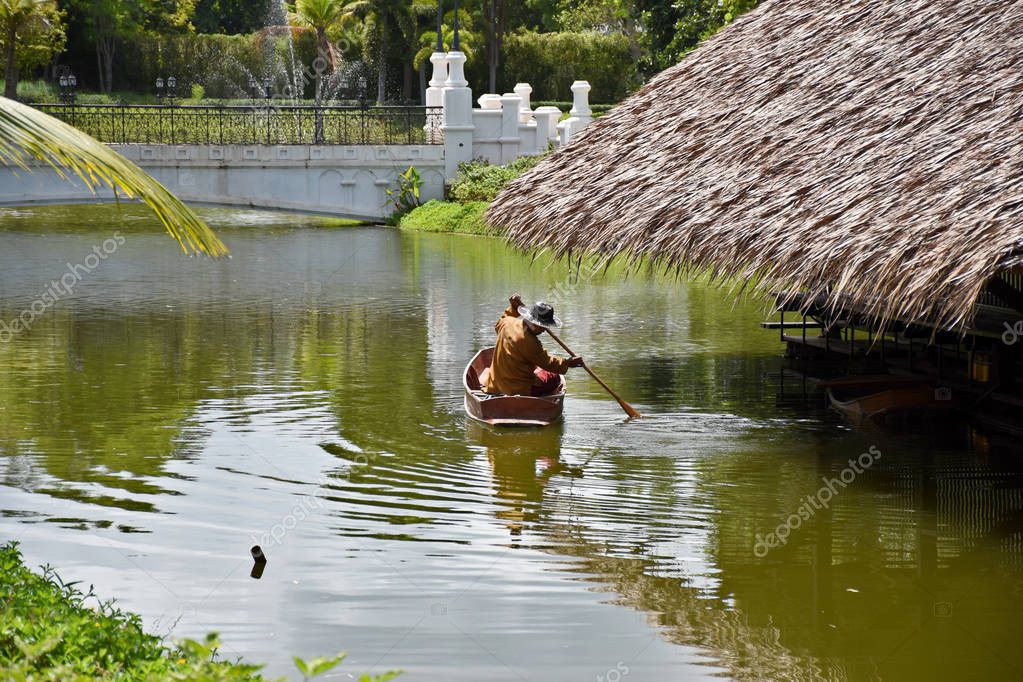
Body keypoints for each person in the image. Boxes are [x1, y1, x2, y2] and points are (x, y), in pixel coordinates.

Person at [483, 293, 584, 397]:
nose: (544, 330)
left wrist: (513, 308)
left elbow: (501, 321)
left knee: (538, 370)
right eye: (543, 326)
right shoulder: (530, 341)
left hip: (495, 384)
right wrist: (567, 363)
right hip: (517, 389)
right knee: (554, 377)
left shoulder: (507, 323)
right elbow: (547, 363)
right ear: (536, 324)